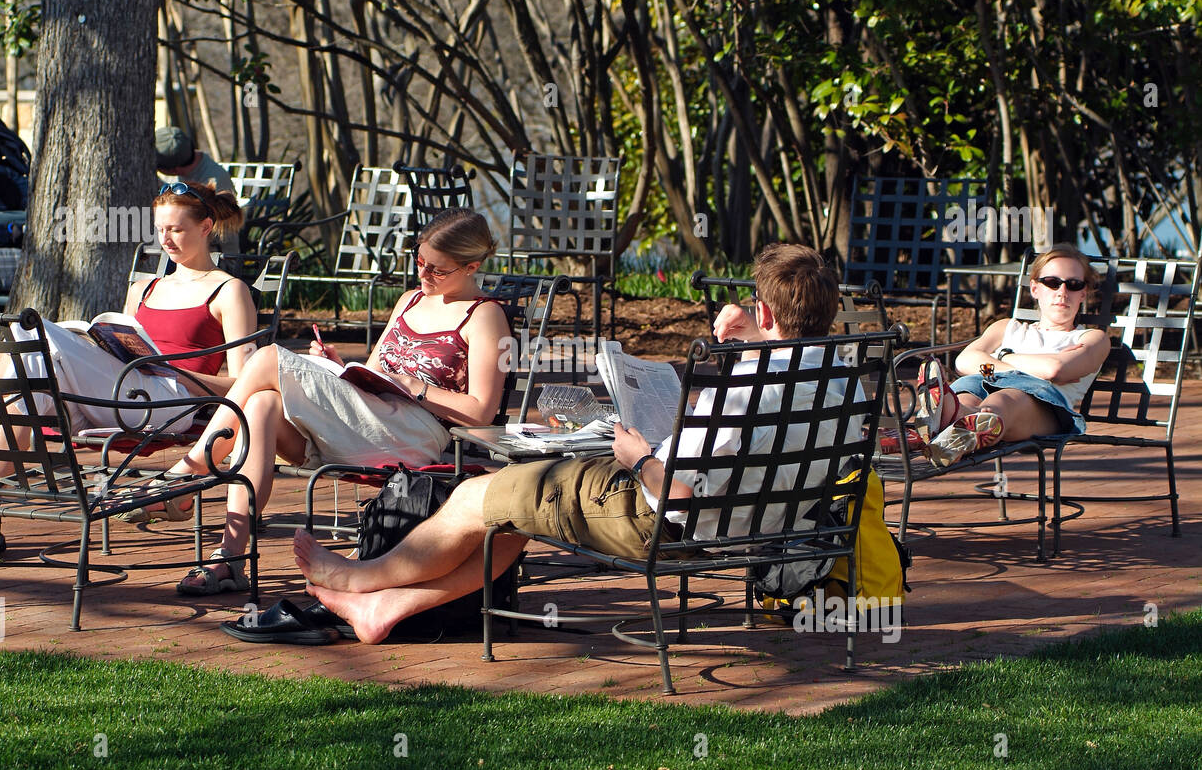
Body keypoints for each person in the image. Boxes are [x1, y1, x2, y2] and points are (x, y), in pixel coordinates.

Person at [278, 244, 860, 644]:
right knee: (514, 506)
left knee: (476, 497)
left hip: (661, 520)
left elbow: (679, 493)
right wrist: (756, 335)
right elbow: (788, 372)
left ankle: (363, 576)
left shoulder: (743, 388)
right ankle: (389, 606)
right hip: (766, 528)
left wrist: (640, 458)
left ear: (764, 306)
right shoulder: (842, 380)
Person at [136, 207, 511, 597]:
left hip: (416, 434)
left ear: (472, 266)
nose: (424, 275)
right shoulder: (409, 301)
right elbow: (373, 371)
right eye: (419, 262)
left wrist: (415, 386)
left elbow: (481, 410)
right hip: (366, 420)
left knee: (267, 358)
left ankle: (189, 473)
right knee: (262, 404)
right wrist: (337, 367)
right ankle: (229, 557)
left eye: (438, 269)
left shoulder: (485, 316)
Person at [0, 180, 256, 560]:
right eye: (160, 230)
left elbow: (244, 384)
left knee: (36, 331)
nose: (166, 240)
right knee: (30, 379)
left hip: (172, 403)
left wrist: (177, 372)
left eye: (176, 229)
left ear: (205, 227)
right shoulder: (146, 287)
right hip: (122, 392)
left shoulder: (228, 290)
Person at [916, 243, 1110, 468]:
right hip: (982, 384)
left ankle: (946, 423)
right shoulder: (1007, 327)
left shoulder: (1092, 339)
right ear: (1035, 288)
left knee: (1005, 399)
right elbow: (964, 361)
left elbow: (1054, 370)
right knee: (967, 394)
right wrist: (1024, 365)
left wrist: (1002, 357)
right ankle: (953, 426)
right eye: (1052, 282)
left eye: (1073, 285)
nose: (1062, 292)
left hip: (1045, 408)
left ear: (1083, 293)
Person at [155, 126, 238, 253]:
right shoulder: (178, 166)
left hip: (214, 256)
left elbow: (215, 233)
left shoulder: (215, 181)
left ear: (174, 170)